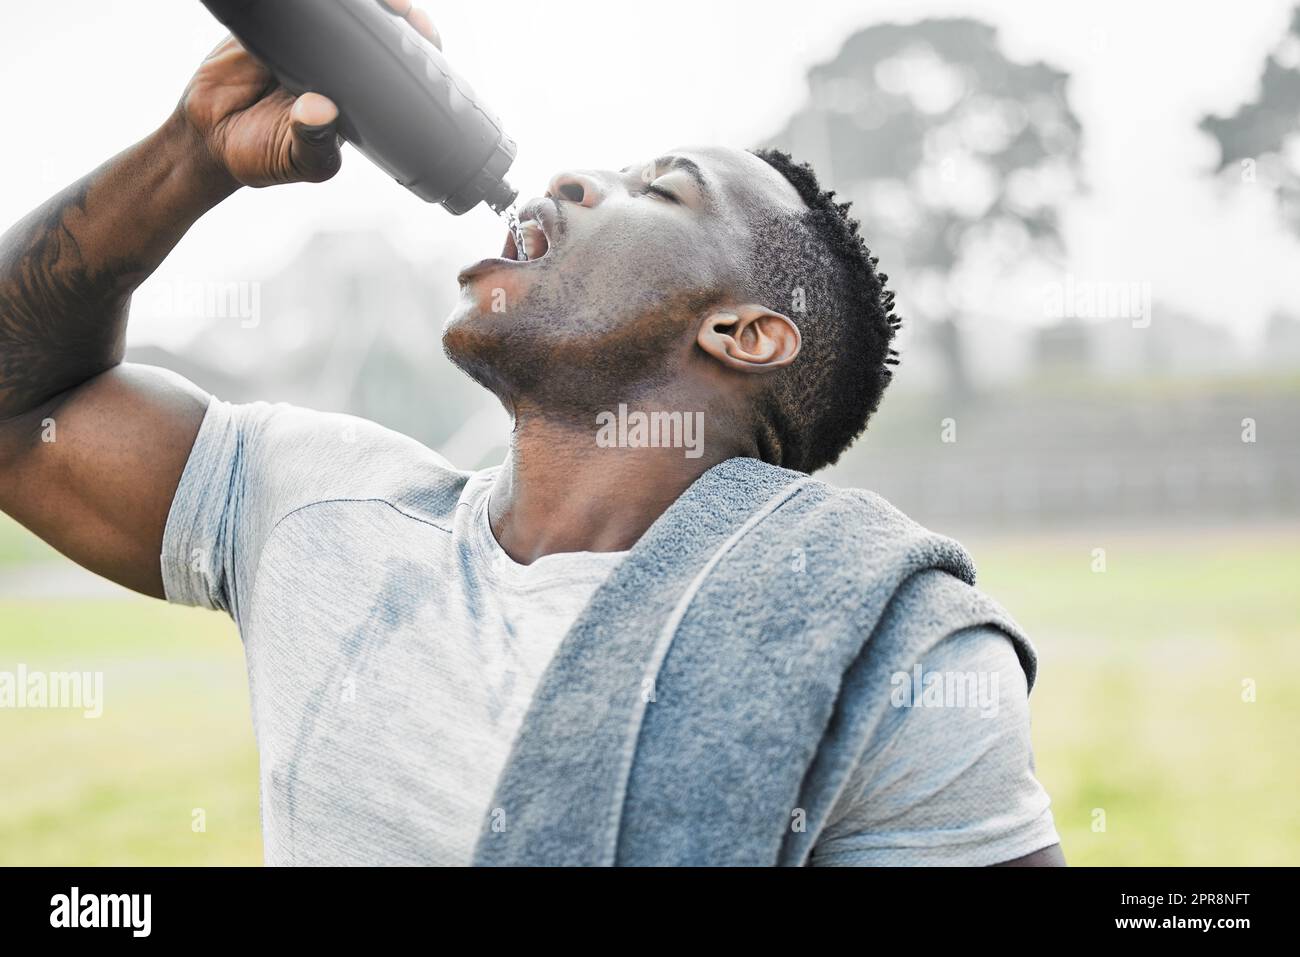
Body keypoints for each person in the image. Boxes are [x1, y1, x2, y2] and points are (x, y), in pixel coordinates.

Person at [0, 1, 1063, 866]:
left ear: (742, 334)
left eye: (659, 190)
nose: (565, 179)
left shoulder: (884, 657)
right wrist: (191, 156)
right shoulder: (312, 503)